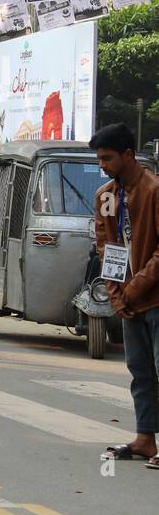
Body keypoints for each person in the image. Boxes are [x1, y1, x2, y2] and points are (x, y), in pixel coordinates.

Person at [93, 125, 159, 464]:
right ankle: (145, 438)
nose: (102, 165)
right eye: (100, 159)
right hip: (130, 302)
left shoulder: (154, 190)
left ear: (128, 155)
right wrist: (116, 295)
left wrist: (134, 289)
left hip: (155, 298)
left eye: (107, 158)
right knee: (141, 370)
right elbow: (106, 247)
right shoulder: (106, 195)